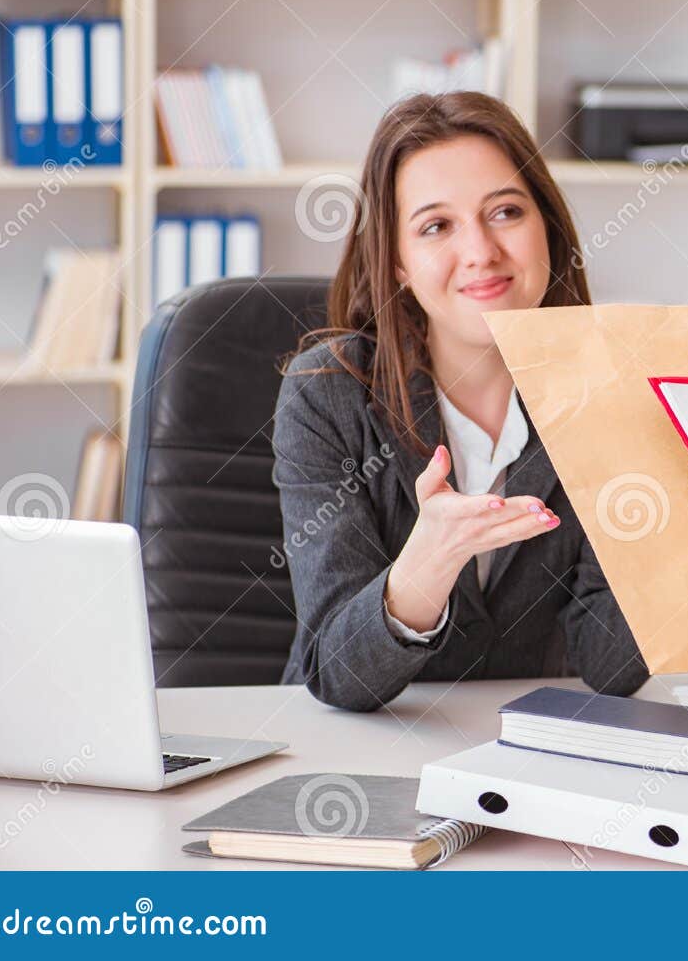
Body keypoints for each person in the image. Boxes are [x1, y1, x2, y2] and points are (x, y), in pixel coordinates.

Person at [274, 91, 647, 712]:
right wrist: (428, 563)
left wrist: (672, 514)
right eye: (436, 226)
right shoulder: (327, 394)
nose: (480, 252)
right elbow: (338, 676)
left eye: (505, 212)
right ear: (396, 261)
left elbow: (609, 666)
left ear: (547, 228)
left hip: (534, 752)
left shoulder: (606, 394)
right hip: (350, 752)